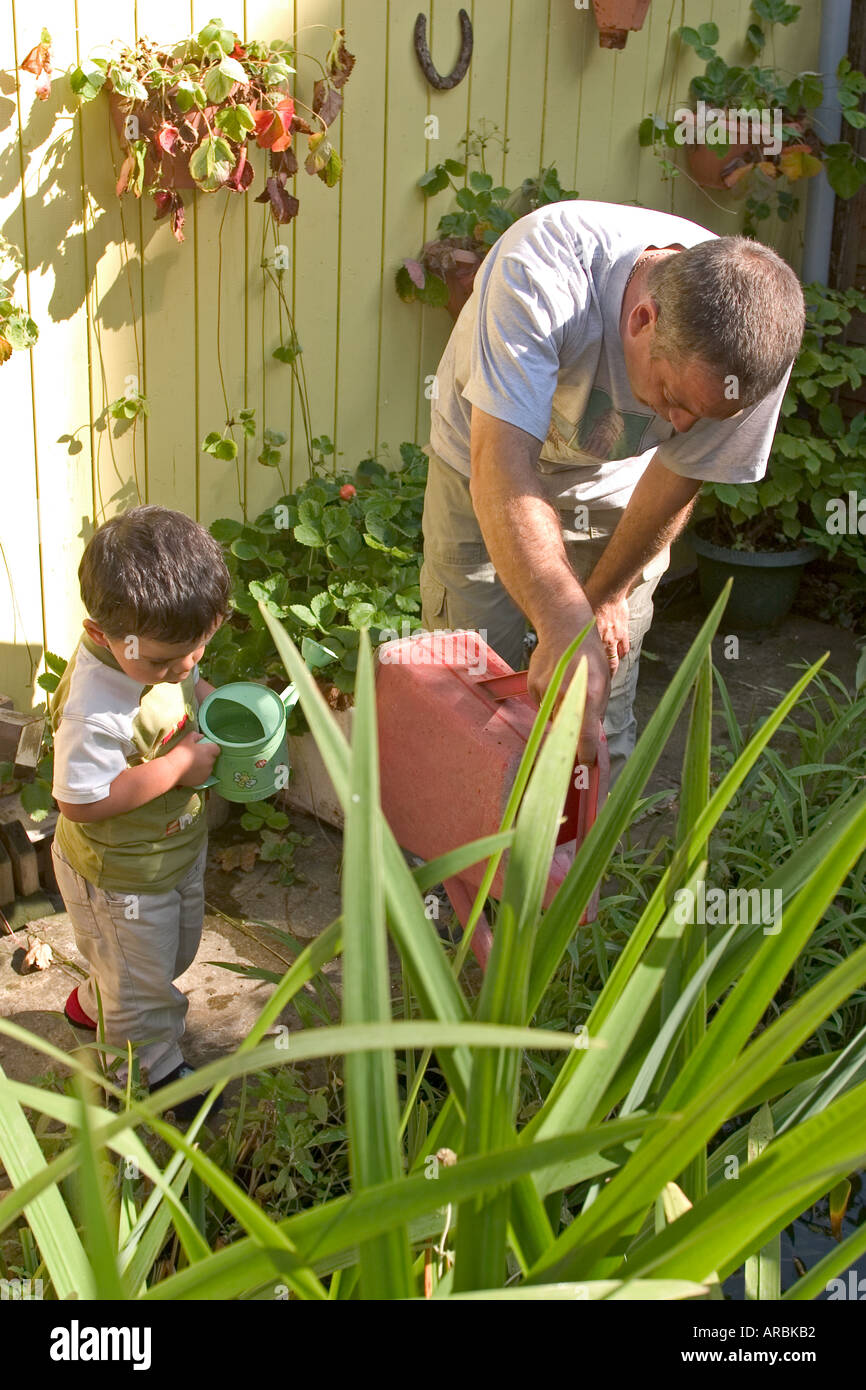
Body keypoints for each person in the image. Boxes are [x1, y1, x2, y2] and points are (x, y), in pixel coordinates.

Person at [420, 199, 805, 780]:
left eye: (703, 417)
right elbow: (501, 464)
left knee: (599, 694)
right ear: (641, 320)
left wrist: (601, 596)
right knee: (472, 679)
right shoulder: (542, 270)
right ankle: (460, 854)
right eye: (674, 398)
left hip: (618, 481)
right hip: (483, 466)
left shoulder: (753, 349)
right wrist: (560, 620)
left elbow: (676, 475)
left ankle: (587, 859)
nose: (678, 427)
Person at [50, 505, 230, 1114]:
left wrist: (207, 697)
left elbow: (186, 675)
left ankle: (101, 996)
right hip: (120, 874)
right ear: (103, 635)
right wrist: (178, 766)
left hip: (170, 850)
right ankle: (152, 1074)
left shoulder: (159, 640)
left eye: (195, 651)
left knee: (168, 956)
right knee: (146, 984)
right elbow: (82, 801)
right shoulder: (94, 709)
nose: (180, 669)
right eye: (161, 663)